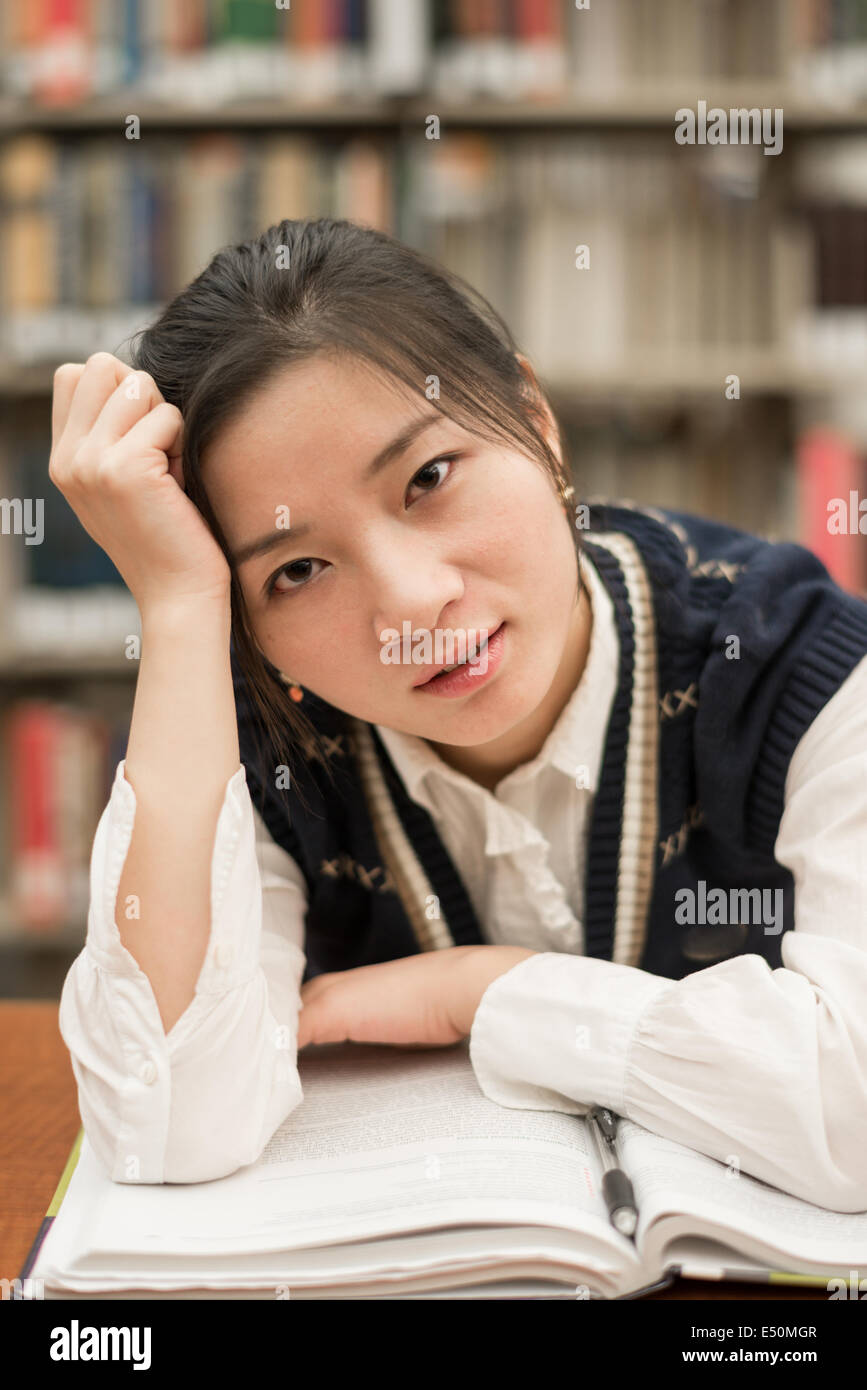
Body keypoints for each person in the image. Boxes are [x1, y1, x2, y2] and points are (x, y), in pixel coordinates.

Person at [52, 218, 867, 1206]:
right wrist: (178, 609)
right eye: (297, 569)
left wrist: (487, 992)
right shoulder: (245, 728)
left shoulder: (791, 659)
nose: (409, 602)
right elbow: (166, 1122)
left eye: (428, 479)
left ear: (535, 418)